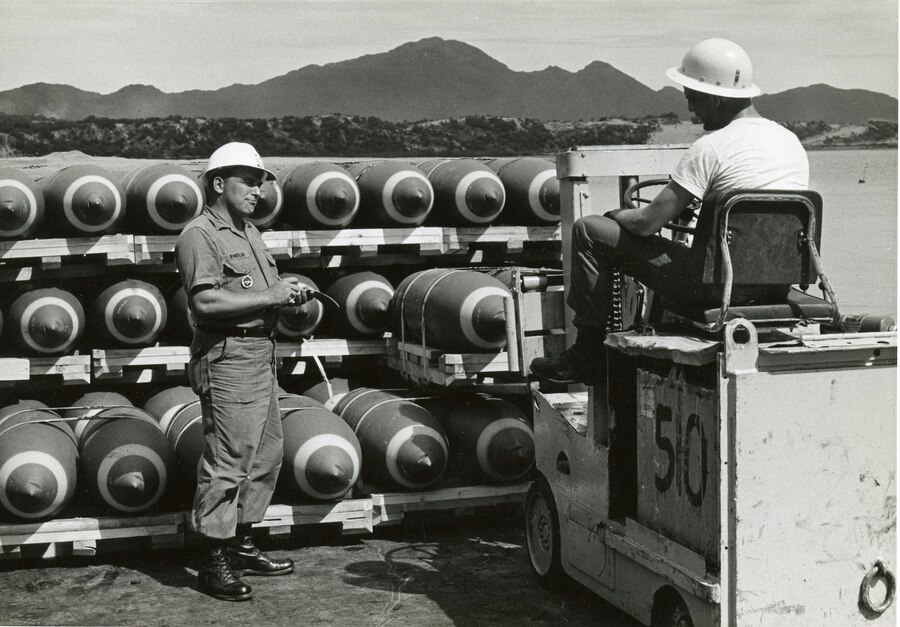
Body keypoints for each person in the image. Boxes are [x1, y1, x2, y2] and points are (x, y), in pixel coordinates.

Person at [530, 38, 809, 385]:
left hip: (712, 286)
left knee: (589, 230)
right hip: (775, 284)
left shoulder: (710, 148)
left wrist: (618, 217)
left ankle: (586, 353)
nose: (692, 111)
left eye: (694, 99)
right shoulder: (790, 143)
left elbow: (647, 224)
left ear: (717, 98)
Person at [175, 142, 308, 601]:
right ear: (218, 183)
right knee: (229, 461)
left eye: (260, 183)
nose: (258, 191)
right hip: (229, 359)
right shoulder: (200, 235)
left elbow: (259, 291)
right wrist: (270, 298)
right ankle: (214, 557)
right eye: (249, 182)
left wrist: (287, 292)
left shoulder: (248, 231)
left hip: (260, 357)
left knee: (267, 455)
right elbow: (205, 301)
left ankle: (242, 543)